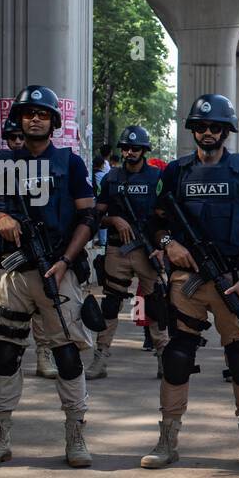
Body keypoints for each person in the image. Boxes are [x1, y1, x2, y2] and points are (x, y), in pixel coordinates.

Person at [139, 93, 239, 471]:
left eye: (215, 127)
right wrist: (170, 244)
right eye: (201, 127)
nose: (208, 133)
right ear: (193, 131)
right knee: (178, 356)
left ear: (226, 132)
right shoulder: (176, 172)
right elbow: (155, 223)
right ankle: (168, 439)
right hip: (187, 281)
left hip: (232, 278)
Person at [0, 85, 98, 468]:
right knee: (6, 354)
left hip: (57, 272)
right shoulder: (3, 163)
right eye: (28, 113)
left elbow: (89, 217)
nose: (35, 118)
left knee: (67, 356)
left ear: (54, 122)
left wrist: (66, 262)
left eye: (42, 114)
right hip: (14, 274)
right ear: (19, 121)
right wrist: (0, 217)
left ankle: (76, 436)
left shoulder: (70, 163)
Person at [0, 119, 59, 381]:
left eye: (20, 139)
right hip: (4, 247)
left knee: (42, 302)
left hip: (38, 245)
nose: (18, 143)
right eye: (12, 139)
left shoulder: (47, 167)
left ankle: (44, 353)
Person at [88, 125, 166, 379]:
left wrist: (163, 247)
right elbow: (97, 215)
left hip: (147, 249)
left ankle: (164, 358)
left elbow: (166, 216)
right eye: (126, 148)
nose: (130, 152)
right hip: (117, 249)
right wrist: (114, 221)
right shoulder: (111, 178)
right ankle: (100, 357)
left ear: (144, 151)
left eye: (136, 149)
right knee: (110, 304)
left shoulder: (156, 178)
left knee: (154, 304)